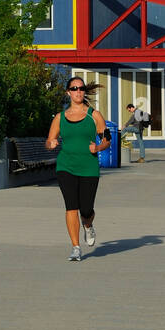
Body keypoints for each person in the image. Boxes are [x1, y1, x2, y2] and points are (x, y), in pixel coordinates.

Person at [46, 78, 111, 262]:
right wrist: (51, 144)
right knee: (70, 206)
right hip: (65, 166)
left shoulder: (94, 115)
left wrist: (97, 148)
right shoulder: (60, 117)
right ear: (68, 92)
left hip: (89, 167)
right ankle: (75, 247)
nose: (78, 91)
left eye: (81, 88)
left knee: (86, 209)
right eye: (74, 89)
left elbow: (107, 140)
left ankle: (88, 225)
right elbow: (49, 140)